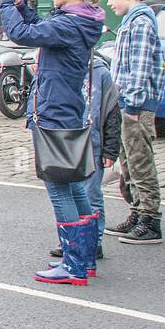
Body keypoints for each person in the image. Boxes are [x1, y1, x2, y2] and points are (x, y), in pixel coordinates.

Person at [0, 0, 106, 285]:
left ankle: (73, 265)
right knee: (74, 184)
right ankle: (84, 259)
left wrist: (6, 3)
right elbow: (39, 27)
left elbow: (21, 34)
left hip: (54, 114)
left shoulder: (71, 24)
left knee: (59, 188)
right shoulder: (78, 21)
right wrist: (20, 3)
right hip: (67, 110)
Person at [102, 0, 165, 246]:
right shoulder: (132, 21)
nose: (109, 4)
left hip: (135, 105)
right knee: (129, 161)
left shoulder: (139, 23)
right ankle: (137, 212)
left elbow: (138, 69)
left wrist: (133, 105)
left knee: (140, 162)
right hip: (128, 103)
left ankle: (150, 220)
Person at [47, 52, 120, 270]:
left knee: (91, 193)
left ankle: (94, 242)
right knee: (72, 192)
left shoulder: (101, 73)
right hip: (69, 141)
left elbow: (112, 111)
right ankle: (75, 243)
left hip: (93, 143)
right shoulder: (64, 67)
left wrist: (111, 149)